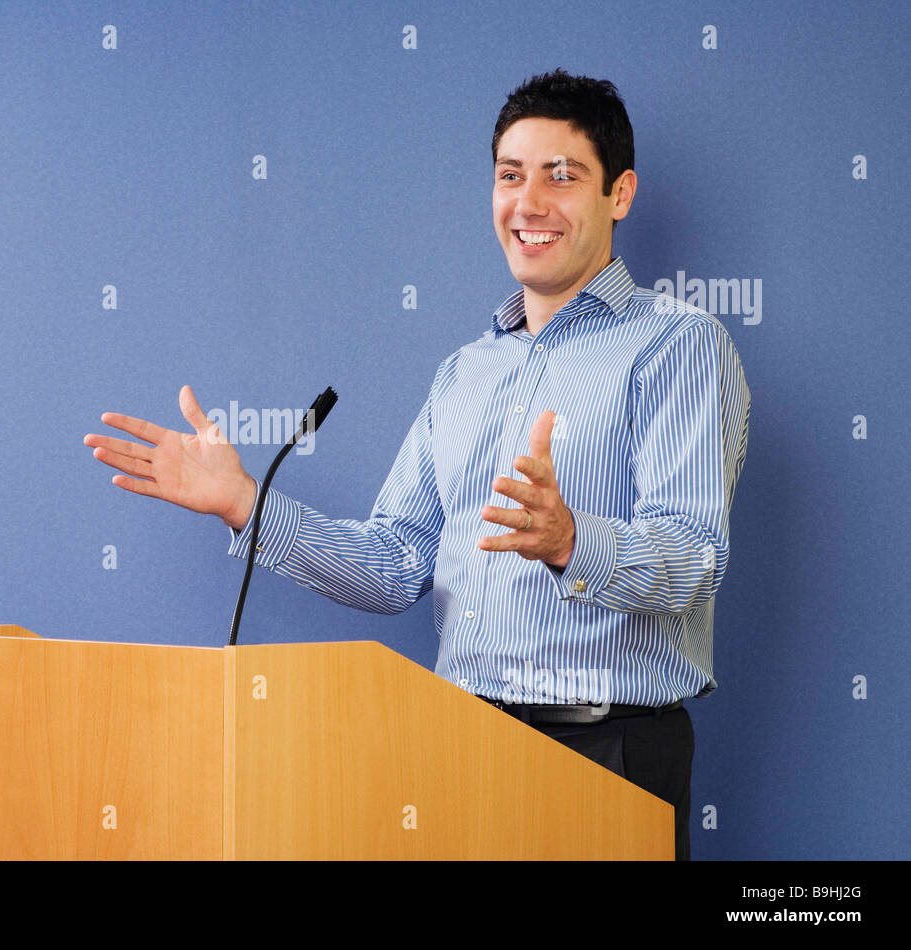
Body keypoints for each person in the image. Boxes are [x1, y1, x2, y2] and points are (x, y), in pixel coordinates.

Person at [83, 69, 751, 861]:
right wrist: (244, 505)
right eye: (510, 176)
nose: (529, 203)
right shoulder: (464, 373)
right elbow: (397, 563)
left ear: (621, 194)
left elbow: (692, 561)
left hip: (607, 755)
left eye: (561, 176)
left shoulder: (679, 344)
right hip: (456, 747)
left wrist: (572, 540)